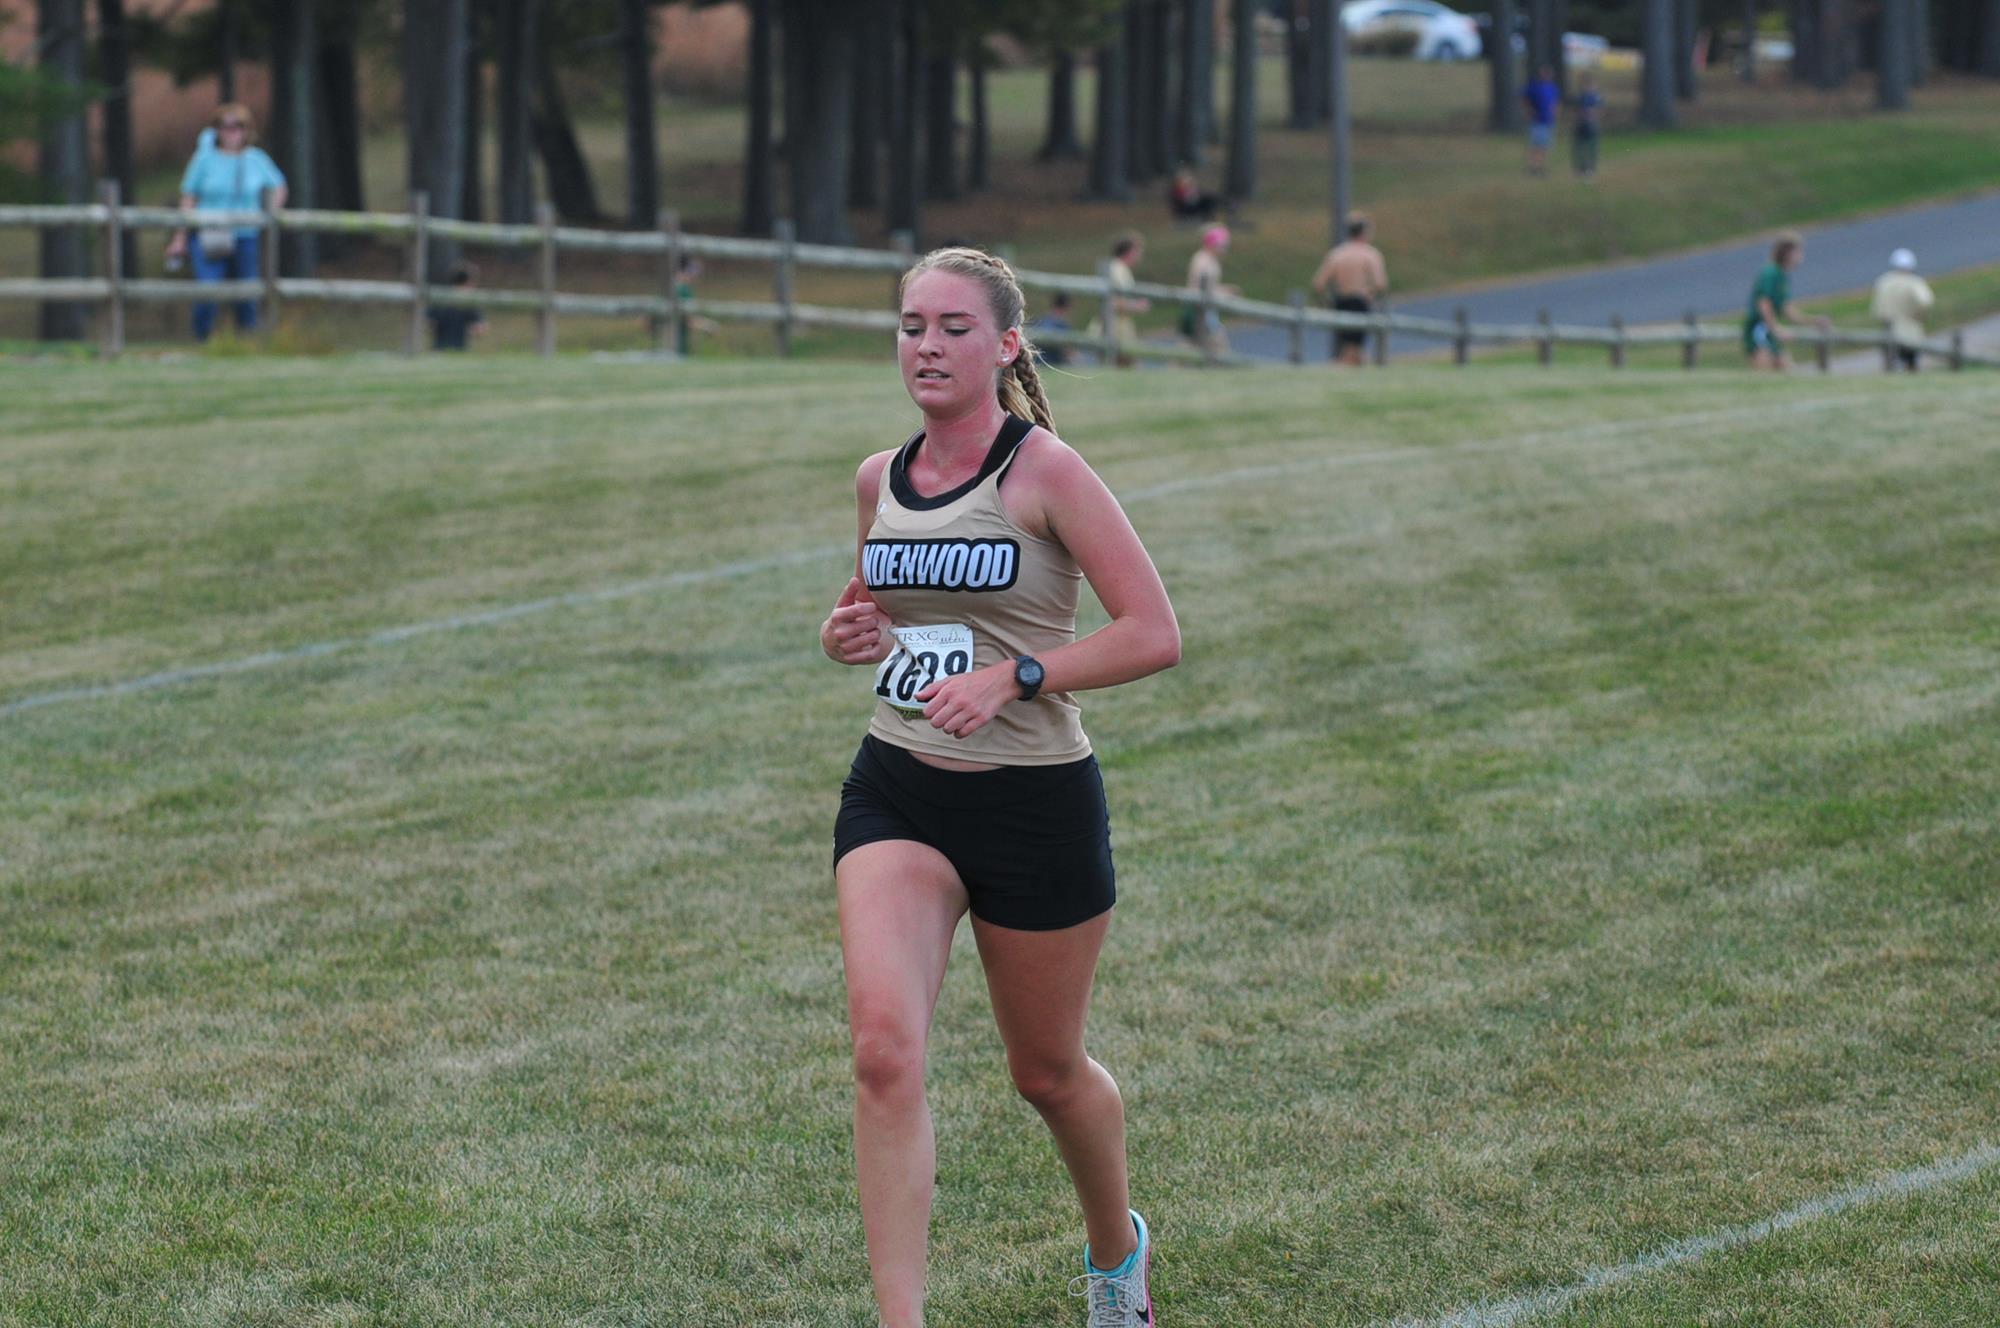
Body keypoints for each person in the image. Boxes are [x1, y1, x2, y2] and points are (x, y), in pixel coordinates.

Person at [819, 246, 1180, 1328]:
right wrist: (846, 634)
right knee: (884, 1051)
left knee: (1046, 1071)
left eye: (953, 327)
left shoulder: (1047, 472)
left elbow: (1153, 633)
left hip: (1032, 800)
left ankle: (1116, 1253)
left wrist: (1019, 672)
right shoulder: (878, 477)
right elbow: (883, 617)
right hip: (897, 789)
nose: (926, 345)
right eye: (911, 325)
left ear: (1005, 344)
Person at [164, 104, 287, 342]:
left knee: (247, 295)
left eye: (237, 126)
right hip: (209, 235)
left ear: (246, 130)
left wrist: (270, 214)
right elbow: (189, 198)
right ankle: (203, 340)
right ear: (217, 130)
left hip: (247, 236)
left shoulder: (256, 159)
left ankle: (247, 344)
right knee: (208, 291)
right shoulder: (204, 160)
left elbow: (279, 187)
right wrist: (180, 237)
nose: (231, 132)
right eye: (226, 127)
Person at [1744, 230, 1830, 371]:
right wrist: (1775, 328)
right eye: (1798, 252)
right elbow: (1764, 303)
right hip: (1758, 329)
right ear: (1787, 253)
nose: (1801, 256)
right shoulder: (1771, 273)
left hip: (1768, 330)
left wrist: (1812, 321)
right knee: (1766, 373)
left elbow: (1786, 309)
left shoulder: (1783, 276)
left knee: (1787, 369)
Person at [1311, 214, 1390, 367]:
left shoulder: (1337, 254)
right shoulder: (1370, 254)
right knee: (1354, 350)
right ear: (1364, 233)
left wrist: (1326, 302)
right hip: (1361, 302)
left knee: (1348, 347)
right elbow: (1380, 284)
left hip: (1340, 302)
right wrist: (1370, 294)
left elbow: (1318, 283)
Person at [1085, 234, 1150, 368]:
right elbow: (1113, 301)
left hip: (1116, 329)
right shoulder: (1119, 269)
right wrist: (1137, 306)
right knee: (1127, 368)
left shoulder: (1115, 267)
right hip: (1117, 331)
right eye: (1137, 251)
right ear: (1130, 251)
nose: (1139, 256)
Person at [1870, 248, 1935, 372]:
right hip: (1910, 330)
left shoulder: (1883, 282)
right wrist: (1920, 315)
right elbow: (1925, 301)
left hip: (1889, 329)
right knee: (1910, 363)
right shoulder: (1914, 282)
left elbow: (1877, 309)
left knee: (1890, 363)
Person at [1180, 225, 1238, 359]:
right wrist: (1222, 295)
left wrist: (1225, 290)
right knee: (1216, 344)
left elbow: (1209, 286)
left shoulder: (1210, 261)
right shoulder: (1202, 261)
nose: (1224, 249)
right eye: (1221, 245)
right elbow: (1198, 288)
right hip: (1199, 310)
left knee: (1193, 345)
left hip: (1207, 309)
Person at [427, 262, 486, 351]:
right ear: (469, 282)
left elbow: (429, 323)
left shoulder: (440, 299)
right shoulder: (469, 303)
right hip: (460, 350)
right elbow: (479, 330)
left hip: (438, 349)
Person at [1522, 65, 1560, 176]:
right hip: (1537, 121)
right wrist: (1528, 111)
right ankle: (1532, 167)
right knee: (1535, 145)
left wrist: (1555, 112)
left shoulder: (1553, 88)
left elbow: (1555, 102)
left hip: (1548, 121)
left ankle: (1541, 166)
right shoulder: (1534, 87)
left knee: (1545, 146)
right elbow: (1524, 99)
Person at [1570, 72, 1604, 179]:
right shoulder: (1581, 97)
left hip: (1592, 125)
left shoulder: (1596, 97)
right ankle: (1580, 168)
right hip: (1581, 125)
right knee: (1580, 148)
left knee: (1591, 148)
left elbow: (1600, 111)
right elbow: (1575, 111)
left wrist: (1592, 115)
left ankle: (1590, 169)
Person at [1029, 291, 1074, 367]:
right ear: (1068, 307)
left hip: (1036, 364)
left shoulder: (1041, 321)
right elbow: (1069, 353)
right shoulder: (1063, 326)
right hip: (1054, 365)